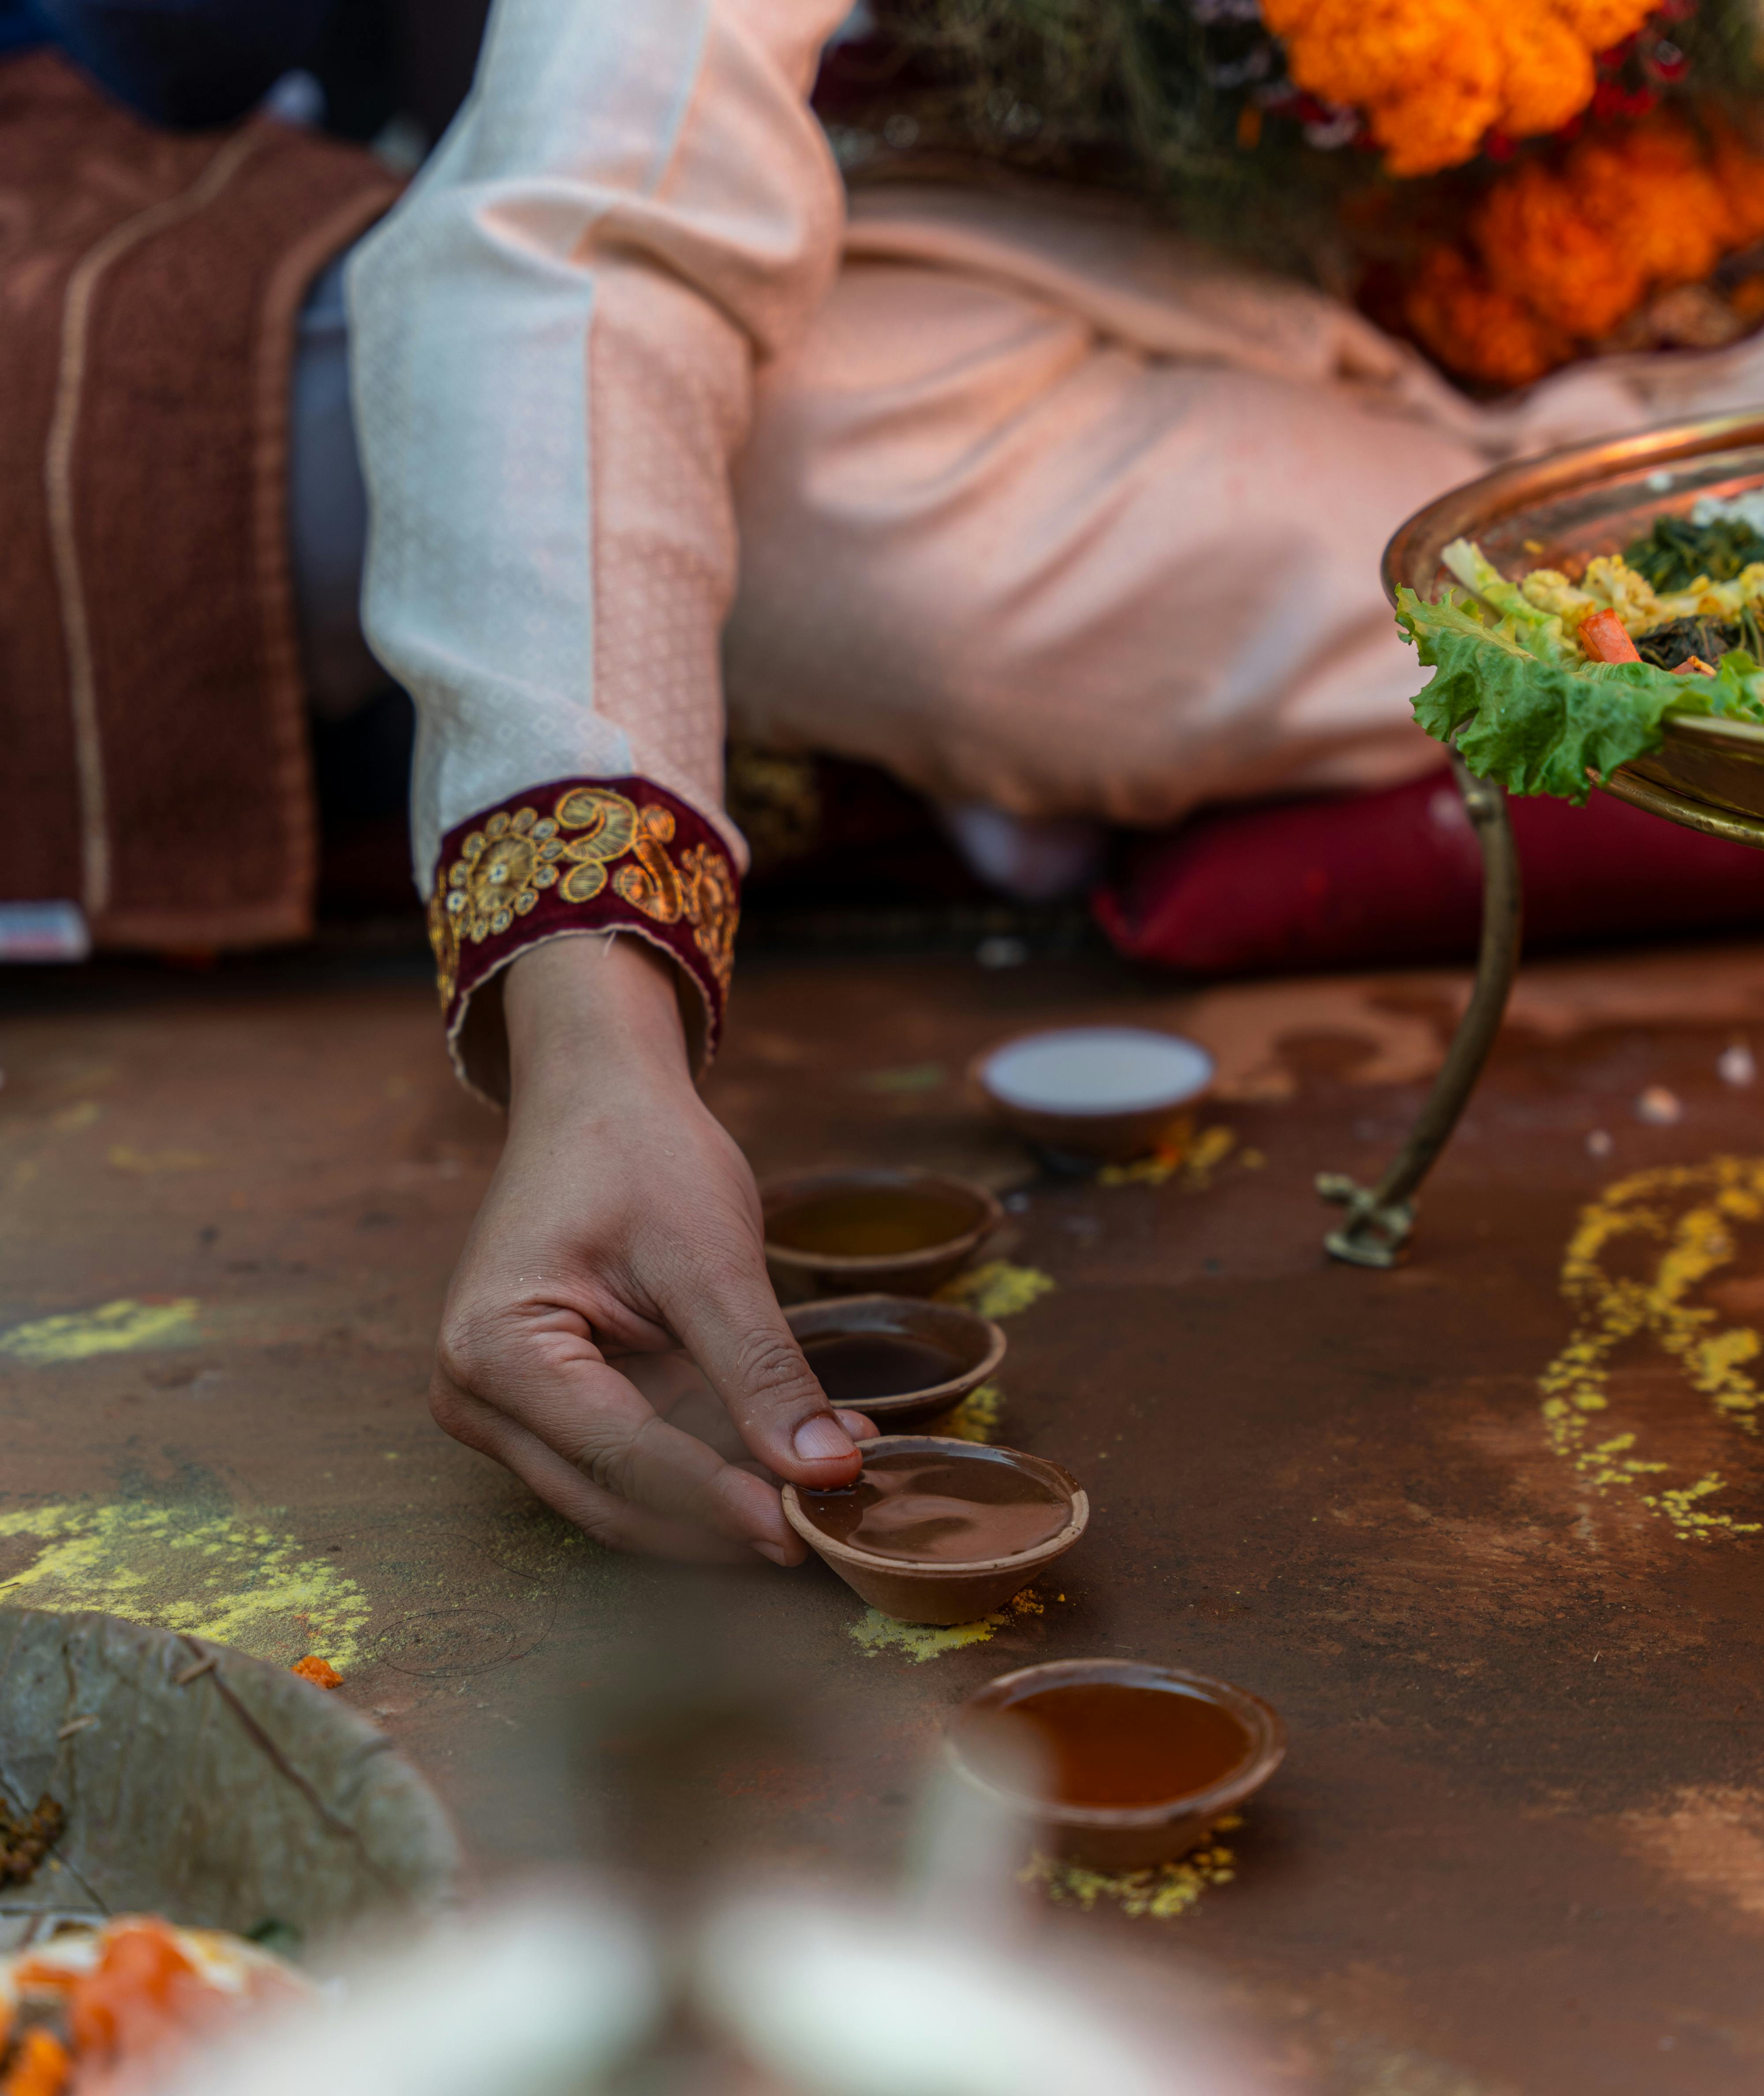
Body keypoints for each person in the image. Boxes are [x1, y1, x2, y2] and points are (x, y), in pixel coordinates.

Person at [347, 0, 1764, 1564]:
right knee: (805, 481)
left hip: (1700, 313)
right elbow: (590, 210)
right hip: (1076, 285)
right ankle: (1618, 584)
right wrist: (596, 1052)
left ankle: (1535, 585)